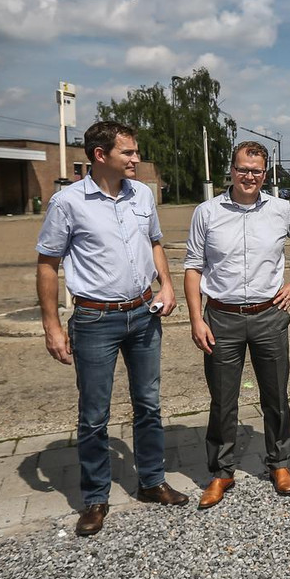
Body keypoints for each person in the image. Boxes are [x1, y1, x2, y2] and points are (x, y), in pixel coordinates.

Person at [35, 121, 188, 538]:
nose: (136, 159)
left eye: (135, 152)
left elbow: (155, 242)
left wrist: (168, 285)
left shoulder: (142, 195)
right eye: (129, 153)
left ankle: (152, 481)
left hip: (143, 314)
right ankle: (95, 497)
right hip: (94, 320)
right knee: (94, 415)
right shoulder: (68, 203)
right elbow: (48, 263)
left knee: (149, 404)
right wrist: (51, 325)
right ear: (101, 156)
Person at [184, 141, 290, 507]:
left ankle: (280, 463)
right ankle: (221, 473)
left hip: (268, 317)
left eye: (256, 171)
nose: (249, 176)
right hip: (221, 318)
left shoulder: (281, 210)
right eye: (243, 169)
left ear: (265, 173)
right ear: (231, 169)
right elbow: (193, 268)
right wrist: (196, 318)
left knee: (275, 396)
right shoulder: (207, 213)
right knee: (222, 401)